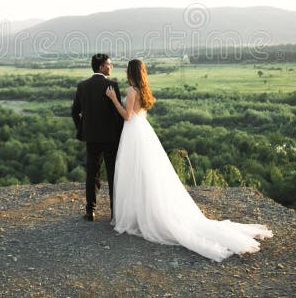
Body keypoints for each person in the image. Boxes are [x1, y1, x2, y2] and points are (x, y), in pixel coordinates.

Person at [105, 59, 272, 262]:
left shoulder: (132, 91)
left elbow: (127, 116)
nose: (124, 71)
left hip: (133, 132)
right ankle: (143, 213)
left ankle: (138, 216)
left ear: (131, 72)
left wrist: (114, 100)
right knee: (147, 174)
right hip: (144, 132)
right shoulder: (143, 90)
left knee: (135, 173)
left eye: (126, 68)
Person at [71, 53, 124, 221]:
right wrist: (121, 135)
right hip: (111, 138)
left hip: (91, 138)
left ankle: (90, 211)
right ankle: (115, 213)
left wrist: (83, 130)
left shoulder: (82, 86)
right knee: (113, 174)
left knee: (92, 174)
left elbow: (74, 112)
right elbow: (118, 115)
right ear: (101, 67)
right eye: (109, 64)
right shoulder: (112, 85)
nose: (111, 66)